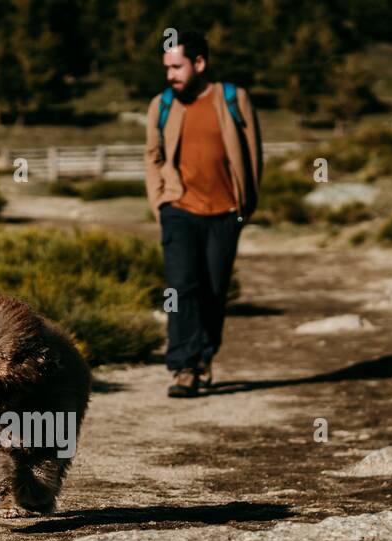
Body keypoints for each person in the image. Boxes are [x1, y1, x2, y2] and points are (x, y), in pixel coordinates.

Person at [144, 30, 263, 398]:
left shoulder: (233, 99)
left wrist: (245, 205)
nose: (171, 76)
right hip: (179, 210)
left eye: (177, 67)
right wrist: (160, 202)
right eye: (167, 68)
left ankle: (204, 358)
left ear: (199, 63)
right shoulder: (162, 105)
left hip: (226, 212)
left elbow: (254, 153)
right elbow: (153, 156)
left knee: (214, 290)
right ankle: (182, 366)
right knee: (181, 288)